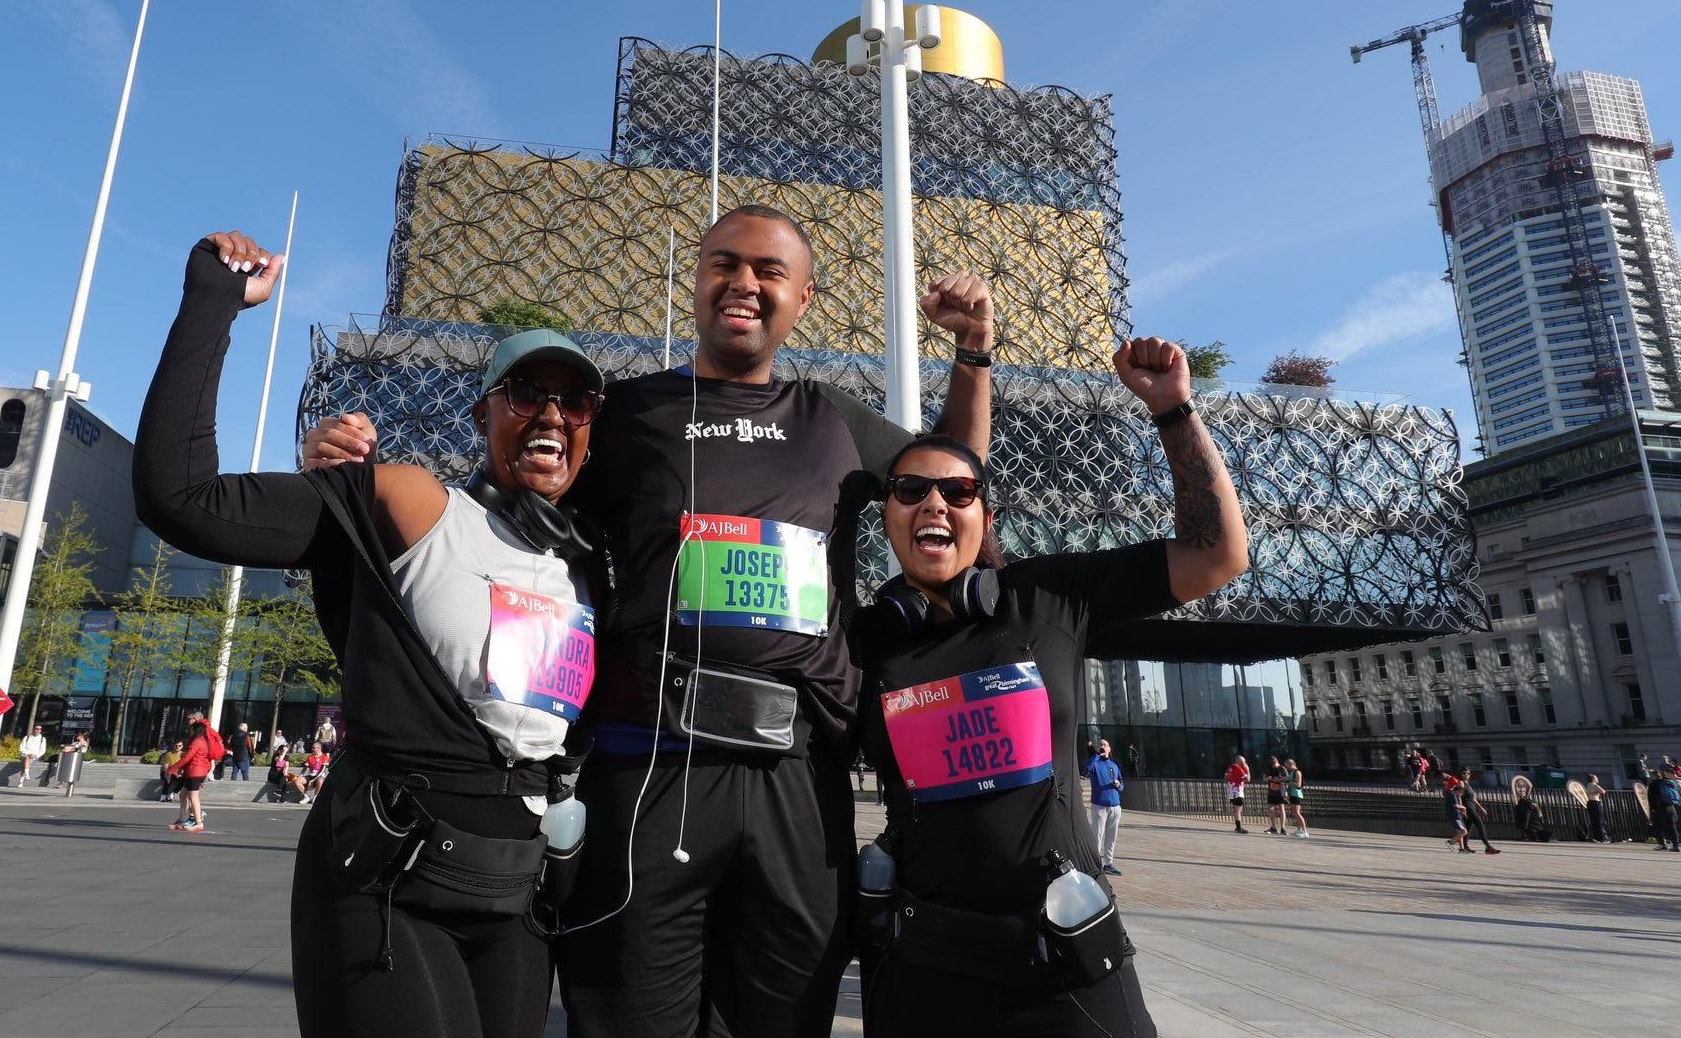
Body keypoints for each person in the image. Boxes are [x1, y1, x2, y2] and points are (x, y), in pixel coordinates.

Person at [301, 204, 997, 1038]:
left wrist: (973, 352)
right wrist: (360, 488)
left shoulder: (835, 422)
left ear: (803, 299)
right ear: (696, 284)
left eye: (769, 271)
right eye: (724, 264)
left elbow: (953, 482)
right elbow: (507, 500)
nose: (744, 283)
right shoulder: (624, 415)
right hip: (648, 767)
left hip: (798, 780)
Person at [135, 230, 611, 1036]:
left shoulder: (592, 564)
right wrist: (213, 302)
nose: (551, 415)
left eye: (576, 402)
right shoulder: (417, 507)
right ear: (482, 411)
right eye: (525, 392)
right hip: (387, 885)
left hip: (517, 900)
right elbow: (180, 498)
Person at [850, 334, 1251, 1036]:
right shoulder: (867, 640)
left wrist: (1172, 411)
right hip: (923, 967)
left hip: (1066, 957)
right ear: (888, 515)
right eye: (911, 490)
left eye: (959, 491)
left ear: (985, 517)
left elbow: (1218, 555)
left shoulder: (1048, 597)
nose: (935, 504)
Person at [168, 711, 220, 833]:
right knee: (183, 795)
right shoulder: (205, 741)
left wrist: (173, 768)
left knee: (193, 796)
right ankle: (182, 821)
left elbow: (188, 757)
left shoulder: (197, 741)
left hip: (195, 771)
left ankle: (198, 822)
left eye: (192, 727)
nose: (189, 728)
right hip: (197, 771)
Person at [1084, 738, 1125, 875]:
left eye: (1105, 745)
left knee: (1111, 837)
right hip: (1099, 806)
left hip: (1115, 806)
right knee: (1097, 836)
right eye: (1100, 745)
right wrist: (1096, 755)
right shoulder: (1095, 763)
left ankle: (1108, 863)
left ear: (1109, 748)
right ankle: (1094, 864)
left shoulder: (1114, 765)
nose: (1102, 746)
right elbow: (1087, 768)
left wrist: (1119, 786)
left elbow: (1121, 784)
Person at [1455, 769, 1500, 855]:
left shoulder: (1468, 784)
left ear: (1470, 775)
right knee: (1481, 826)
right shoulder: (1461, 783)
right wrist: (1462, 809)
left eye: (1468, 773)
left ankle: (1465, 847)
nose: (1466, 774)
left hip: (1472, 807)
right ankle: (1488, 847)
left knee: (1468, 828)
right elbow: (1458, 796)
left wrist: (1480, 807)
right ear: (1461, 774)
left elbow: (1472, 798)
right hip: (1468, 808)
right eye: (1463, 773)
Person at [1650, 769, 1681, 851]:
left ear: (1653, 776)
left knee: (1657, 826)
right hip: (1671, 806)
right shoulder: (1668, 782)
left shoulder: (1654, 784)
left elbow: (1651, 798)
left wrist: (1653, 809)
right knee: (1672, 826)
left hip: (1660, 808)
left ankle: (1662, 844)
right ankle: (1675, 845)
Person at [1262, 756, 1288, 835]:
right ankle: (1273, 827)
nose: (1273, 766)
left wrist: (1279, 779)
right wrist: (1268, 778)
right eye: (1271, 765)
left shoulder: (1282, 768)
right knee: (1270, 809)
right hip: (1271, 791)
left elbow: (1287, 778)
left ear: (1277, 762)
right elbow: (1264, 778)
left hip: (1280, 791)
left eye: (1274, 764)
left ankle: (1283, 828)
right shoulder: (1268, 767)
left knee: (1281, 808)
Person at [1285, 757, 1310, 838]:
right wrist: (1280, 779)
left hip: (1296, 794)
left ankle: (1305, 831)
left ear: (1291, 764)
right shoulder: (1292, 772)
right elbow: (1287, 779)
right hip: (1292, 794)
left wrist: (1289, 783)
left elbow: (1298, 784)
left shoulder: (1297, 772)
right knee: (1294, 812)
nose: (1287, 768)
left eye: (1287, 766)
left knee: (1297, 812)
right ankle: (1299, 829)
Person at [1226, 754, 1250, 834]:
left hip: (1232, 791)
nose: (1244, 764)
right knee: (1238, 810)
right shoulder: (1237, 767)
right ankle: (1238, 827)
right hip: (1237, 792)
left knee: (1237, 809)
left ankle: (1238, 826)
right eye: (1243, 762)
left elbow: (1226, 777)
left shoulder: (1230, 767)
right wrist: (1247, 769)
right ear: (1240, 762)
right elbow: (1247, 779)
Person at [1584, 774, 1609, 843]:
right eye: (1596, 778)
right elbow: (1603, 791)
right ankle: (1601, 838)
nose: (1597, 779)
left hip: (1590, 803)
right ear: (1593, 779)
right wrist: (1596, 792)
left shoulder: (1587, 785)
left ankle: (1596, 837)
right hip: (1595, 803)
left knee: (1594, 821)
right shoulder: (1594, 785)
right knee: (1599, 821)